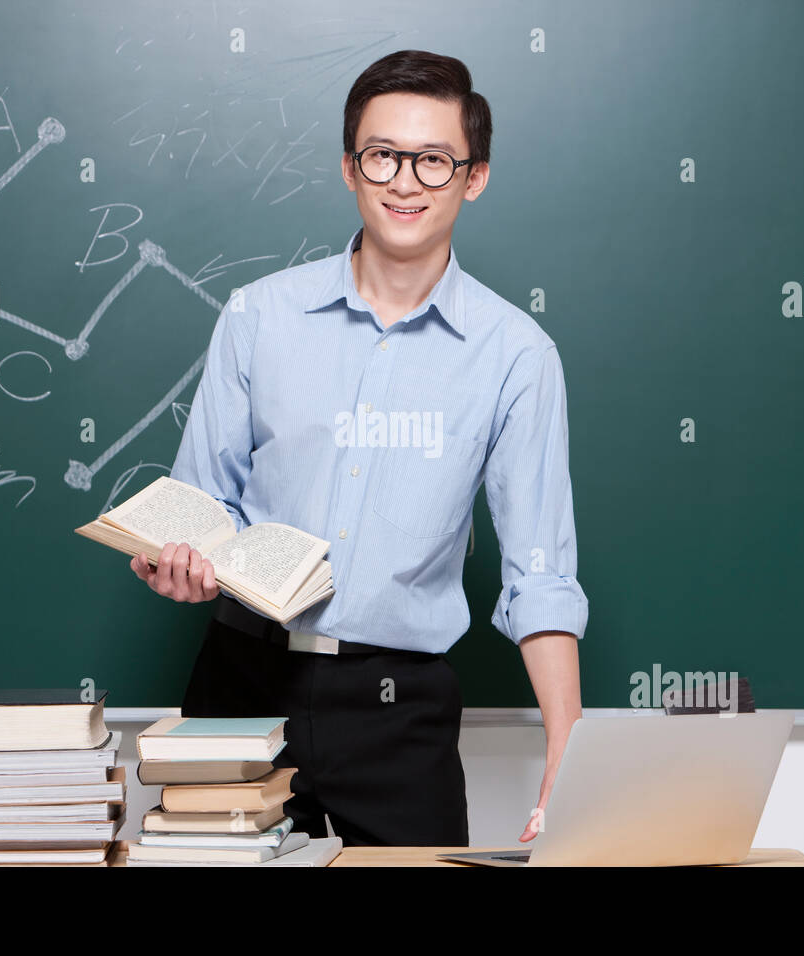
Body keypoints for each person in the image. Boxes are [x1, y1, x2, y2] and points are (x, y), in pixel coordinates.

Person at [131, 49, 588, 847]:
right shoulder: (256, 317)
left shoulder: (517, 355)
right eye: (383, 155)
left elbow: (541, 577)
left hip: (398, 710)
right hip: (243, 685)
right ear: (350, 167)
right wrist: (177, 562)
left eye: (434, 161)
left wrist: (568, 747)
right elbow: (204, 505)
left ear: (473, 176)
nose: (404, 181)